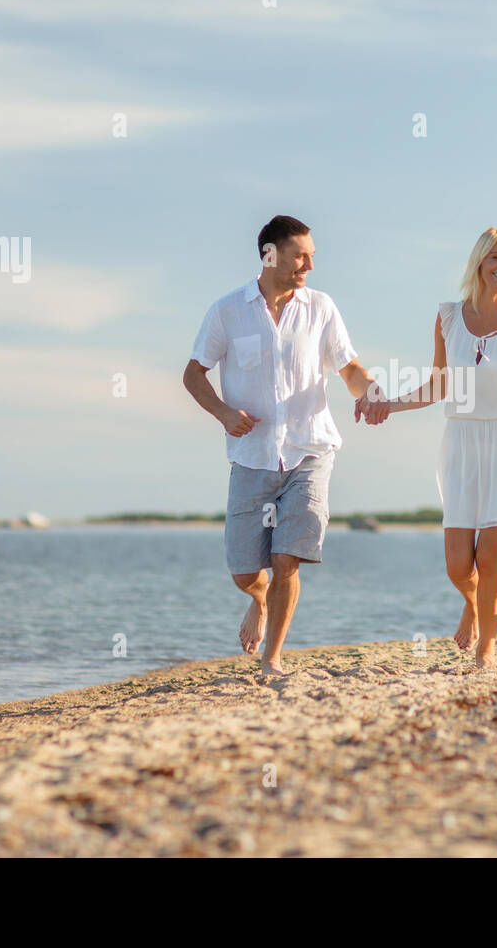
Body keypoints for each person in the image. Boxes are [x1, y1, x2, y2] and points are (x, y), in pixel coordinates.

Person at [182, 215, 388, 677]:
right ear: (270, 255)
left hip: (310, 450)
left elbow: (349, 368)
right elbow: (193, 373)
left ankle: (272, 659)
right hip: (251, 455)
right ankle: (258, 600)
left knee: (286, 559)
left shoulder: (321, 308)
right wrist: (223, 413)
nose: (310, 265)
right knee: (244, 571)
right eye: (301, 255)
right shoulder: (227, 311)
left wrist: (370, 390)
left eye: (312, 255)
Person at [367, 228, 497, 669]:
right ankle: (473, 602)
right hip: (462, 441)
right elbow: (440, 385)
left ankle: (486, 651)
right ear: (480, 263)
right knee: (458, 565)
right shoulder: (447, 317)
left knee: (489, 555)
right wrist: (390, 403)